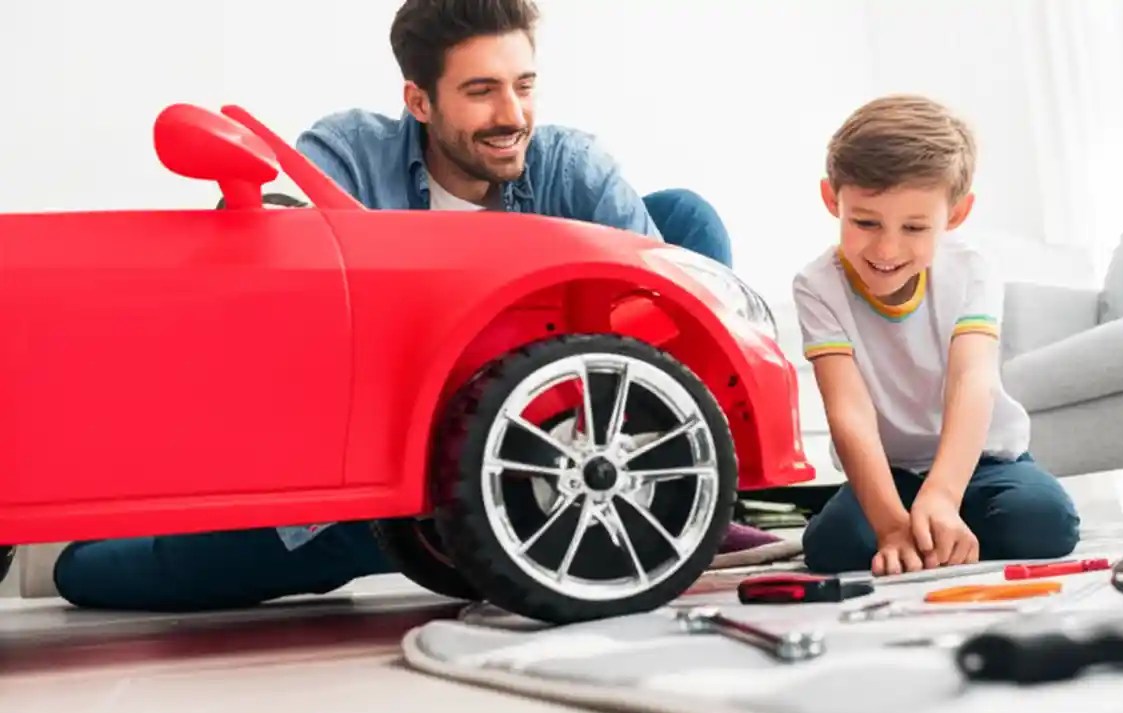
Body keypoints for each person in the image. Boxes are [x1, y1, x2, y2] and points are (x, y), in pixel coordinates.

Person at [51, 0, 778, 612]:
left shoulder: (572, 166)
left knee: (684, 222)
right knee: (87, 575)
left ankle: (679, 507)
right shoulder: (347, 151)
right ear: (419, 101)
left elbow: (654, 339)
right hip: (376, 494)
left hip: (543, 456)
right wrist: (269, 229)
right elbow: (277, 291)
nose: (512, 114)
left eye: (524, 85)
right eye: (482, 91)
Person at [794, 94, 1080, 576]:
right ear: (831, 200)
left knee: (1042, 524)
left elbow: (972, 382)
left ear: (955, 215)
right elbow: (849, 410)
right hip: (891, 474)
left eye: (914, 227)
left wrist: (944, 495)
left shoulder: (971, 271)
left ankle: (942, 523)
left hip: (985, 462)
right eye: (864, 222)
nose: (887, 247)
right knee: (834, 546)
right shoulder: (816, 286)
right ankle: (930, 529)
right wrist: (889, 525)